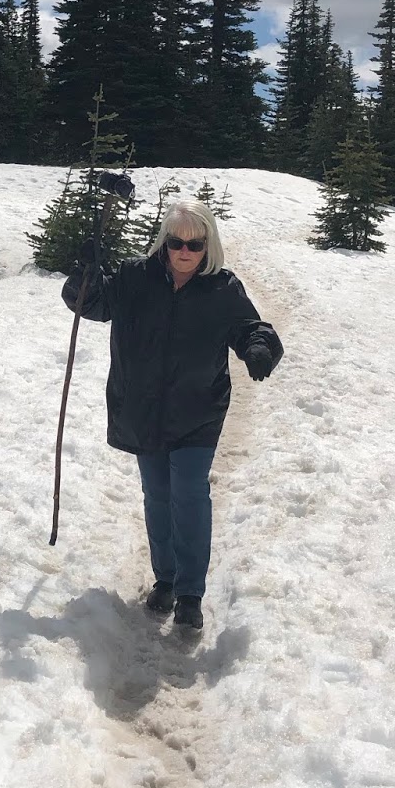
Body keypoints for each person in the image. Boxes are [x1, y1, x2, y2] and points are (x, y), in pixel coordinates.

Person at [61, 198, 283, 630]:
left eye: (195, 245)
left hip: (199, 409)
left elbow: (250, 328)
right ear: (164, 243)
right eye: (176, 243)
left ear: (208, 246)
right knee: (157, 495)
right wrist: (83, 272)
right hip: (144, 408)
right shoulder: (133, 278)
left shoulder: (222, 288)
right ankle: (165, 579)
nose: (184, 252)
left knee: (189, 492)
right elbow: (91, 303)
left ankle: (190, 593)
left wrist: (259, 348)